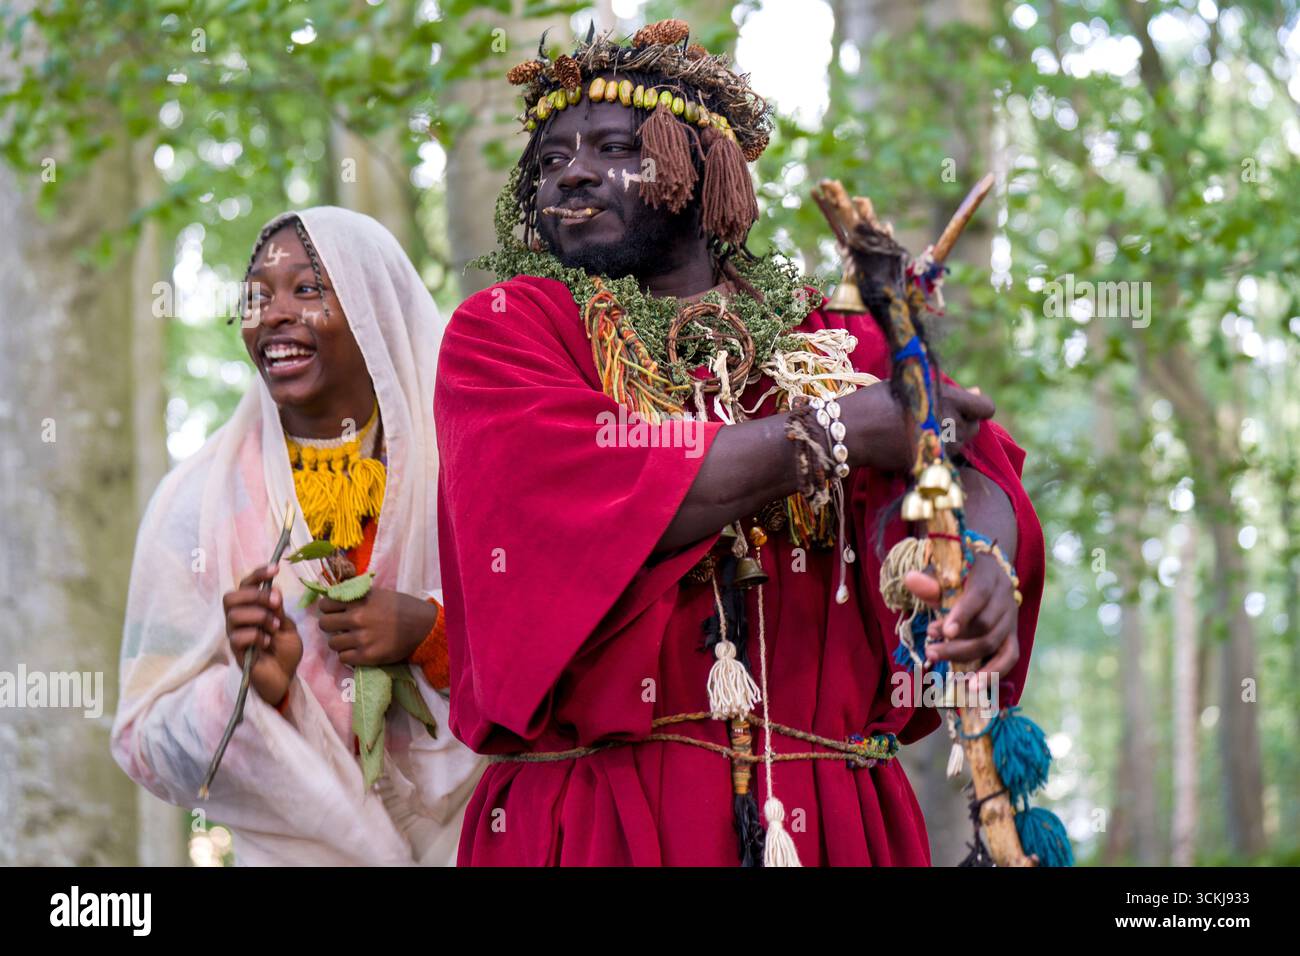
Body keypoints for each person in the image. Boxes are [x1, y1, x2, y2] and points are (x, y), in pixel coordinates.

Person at [435, 20, 1047, 867]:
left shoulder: (840, 343)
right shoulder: (508, 332)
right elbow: (589, 497)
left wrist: (988, 561)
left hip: (835, 818)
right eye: (548, 161)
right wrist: (834, 432)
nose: (571, 171)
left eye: (616, 147)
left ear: (703, 171)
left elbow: (966, 464)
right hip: (592, 821)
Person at [112, 207, 484, 865]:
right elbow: (144, 745)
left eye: (308, 288)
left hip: (486, 840)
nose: (274, 313)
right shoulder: (194, 508)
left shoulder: (473, 465)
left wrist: (430, 632)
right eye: (257, 295)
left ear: (375, 307)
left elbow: (562, 650)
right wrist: (255, 691)